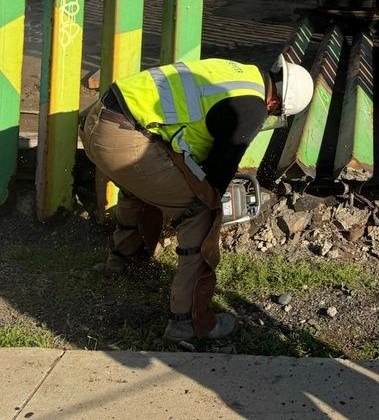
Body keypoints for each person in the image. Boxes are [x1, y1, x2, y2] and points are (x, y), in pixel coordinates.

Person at [80, 53, 314, 342]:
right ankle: (188, 322)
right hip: (123, 139)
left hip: (99, 121)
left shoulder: (239, 71)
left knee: (143, 184)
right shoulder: (252, 108)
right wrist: (211, 201)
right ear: (275, 103)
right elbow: (218, 174)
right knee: (203, 212)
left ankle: (125, 260)